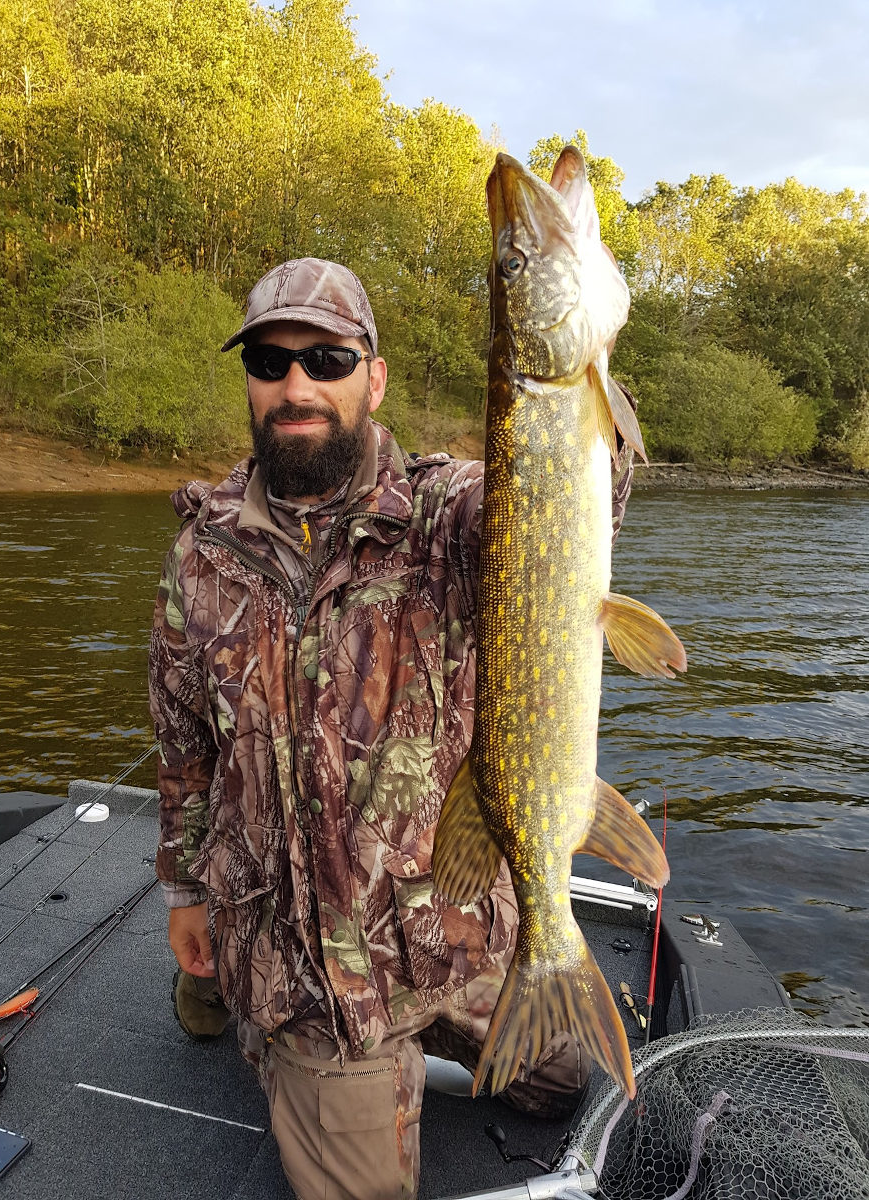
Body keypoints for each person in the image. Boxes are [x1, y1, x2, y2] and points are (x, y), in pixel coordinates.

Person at [149, 257, 635, 1200]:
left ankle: (335, 1012)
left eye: (327, 359)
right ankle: (251, 1011)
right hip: (314, 972)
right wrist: (183, 891)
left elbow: (586, 496)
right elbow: (183, 747)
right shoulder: (198, 556)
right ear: (247, 378)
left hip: (440, 927)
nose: (297, 385)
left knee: (564, 1081)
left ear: (373, 377)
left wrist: (581, 368)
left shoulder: (450, 511)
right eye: (270, 359)